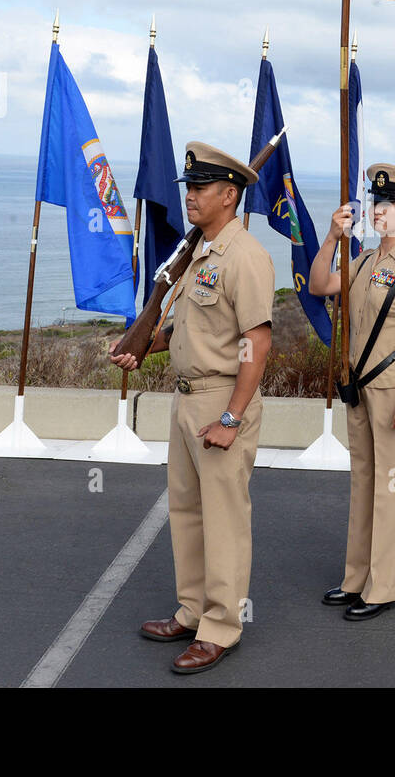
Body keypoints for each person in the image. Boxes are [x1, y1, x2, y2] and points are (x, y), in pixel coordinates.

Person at [110, 141, 274, 674]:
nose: (192, 198)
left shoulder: (245, 256)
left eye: (201, 189)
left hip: (220, 400)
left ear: (230, 195)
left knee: (224, 519)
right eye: (191, 189)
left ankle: (222, 627)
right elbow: (191, 328)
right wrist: (144, 344)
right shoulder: (199, 252)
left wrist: (232, 417)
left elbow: (256, 342)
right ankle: (193, 609)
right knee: (186, 512)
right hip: (184, 398)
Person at [307, 164, 395, 620]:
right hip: (359, 390)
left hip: (394, 389)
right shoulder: (362, 260)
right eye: (375, 203)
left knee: (392, 489)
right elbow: (319, 285)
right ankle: (355, 577)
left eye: (388, 205)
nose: (379, 211)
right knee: (364, 485)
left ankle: (383, 586)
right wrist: (329, 238)